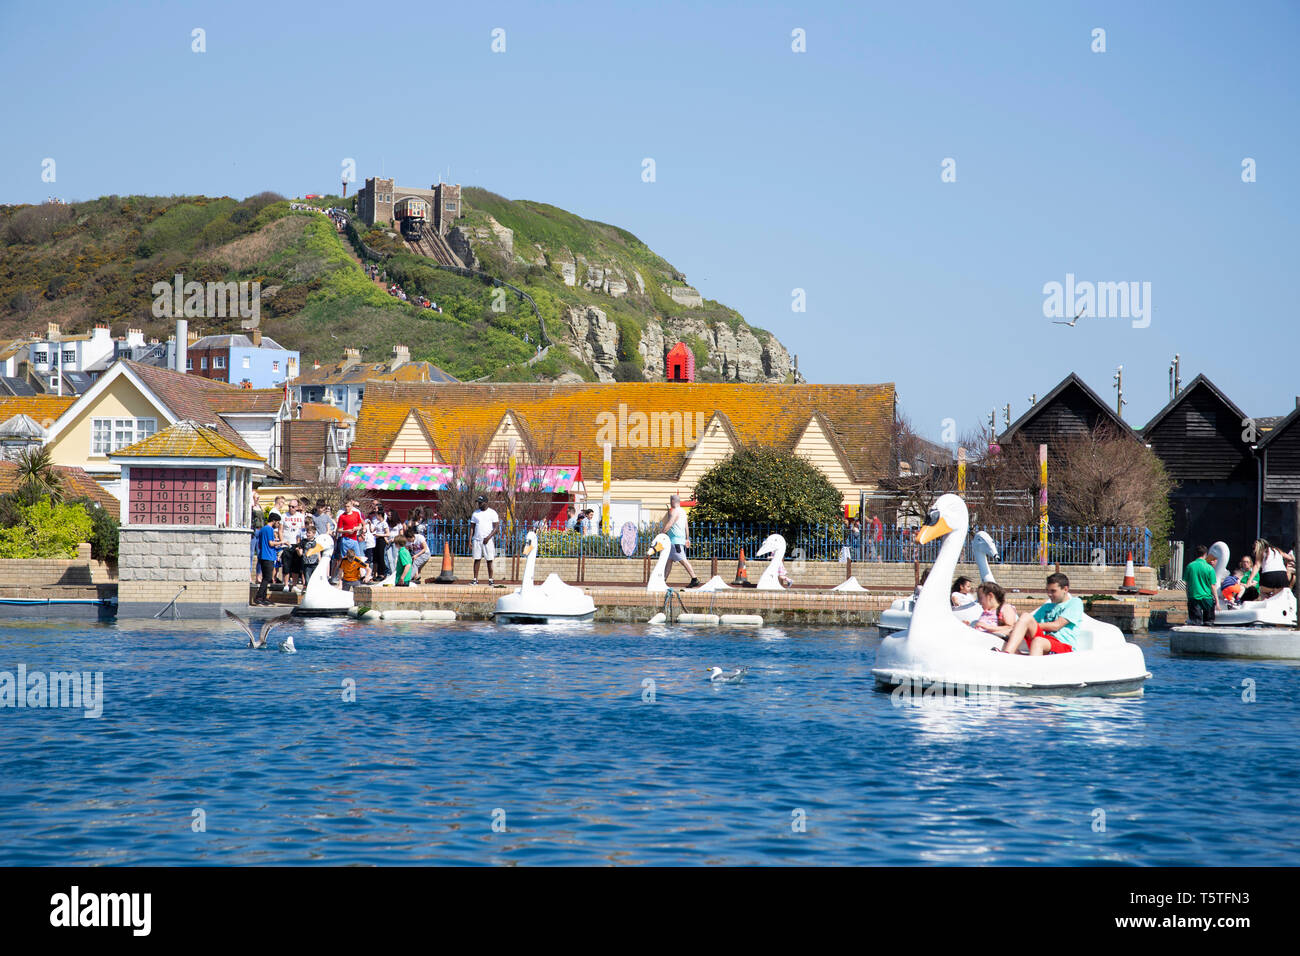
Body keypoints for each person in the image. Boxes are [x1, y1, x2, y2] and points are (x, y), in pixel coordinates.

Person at [1000, 572, 1084, 655]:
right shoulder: (1046, 607)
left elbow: (1056, 626)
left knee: (1037, 641)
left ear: (1065, 589)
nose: (1049, 594)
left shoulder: (1075, 602)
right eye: (1047, 591)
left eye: (1053, 591)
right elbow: (1026, 622)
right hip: (1044, 640)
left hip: (1063, 645)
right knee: (1025, 617)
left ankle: (1029, 665)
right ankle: (1007, 653)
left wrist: (1026, 625)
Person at [657, 494, 700, 588]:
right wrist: (687, 538)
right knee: (669, 561)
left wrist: (662, 533)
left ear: (673, 501)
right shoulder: (683, 512)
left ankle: (694, 578)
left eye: (670, 501)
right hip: (677, 540)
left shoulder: (675, 512)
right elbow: (686, 526)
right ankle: (663, 581)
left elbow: (670, 523)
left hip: (675, 541)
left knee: (683, 560)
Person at [1184, 544, 1218, 625]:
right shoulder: (1209, 568)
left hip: (1194, 598)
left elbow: (1187, 584)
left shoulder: (1190, 566)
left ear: (1196, 553)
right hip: (1207, 598)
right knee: (1209, 623)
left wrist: (1188, 596)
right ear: (1205, 554)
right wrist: (1217, 600)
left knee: (1195, 623)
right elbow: (1212, 586)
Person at [254, 513, 283, 606]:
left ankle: (263, 597)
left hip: (263, 555)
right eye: (278, 522)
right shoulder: (269, 529)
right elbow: (271, 543)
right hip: (268, 556)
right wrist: (282, 542)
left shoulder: (262, 529)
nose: (278, 525)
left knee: (266, 577)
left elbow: (260, 544)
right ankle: (258, 597)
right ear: (274, 521)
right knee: (267, 578)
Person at [470, 495, 499, 586]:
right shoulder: (475, 513)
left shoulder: (492, 513)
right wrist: (470, 540)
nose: (479, 504)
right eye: (478, 502)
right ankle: (475, 579)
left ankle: (490, 579)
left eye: (480, 502)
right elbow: (472, 527)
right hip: (477, 539)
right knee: (477, 559)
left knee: (489, 559)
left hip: (488, 540)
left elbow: (496, 527)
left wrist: (488, 537)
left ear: (486, 503)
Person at [279, 498, 305, 592]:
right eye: (289, 506)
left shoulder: (301, 516)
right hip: (287, 543)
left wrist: (300, 543)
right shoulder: (284, 516)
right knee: (286, 565)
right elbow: (280, 530)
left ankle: (294, 585)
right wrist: (282, 542)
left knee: (296, 566)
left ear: (297, 507)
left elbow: (303, 530)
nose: (291, 508)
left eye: (293, 507)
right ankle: (286, 585)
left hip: (296, 544)